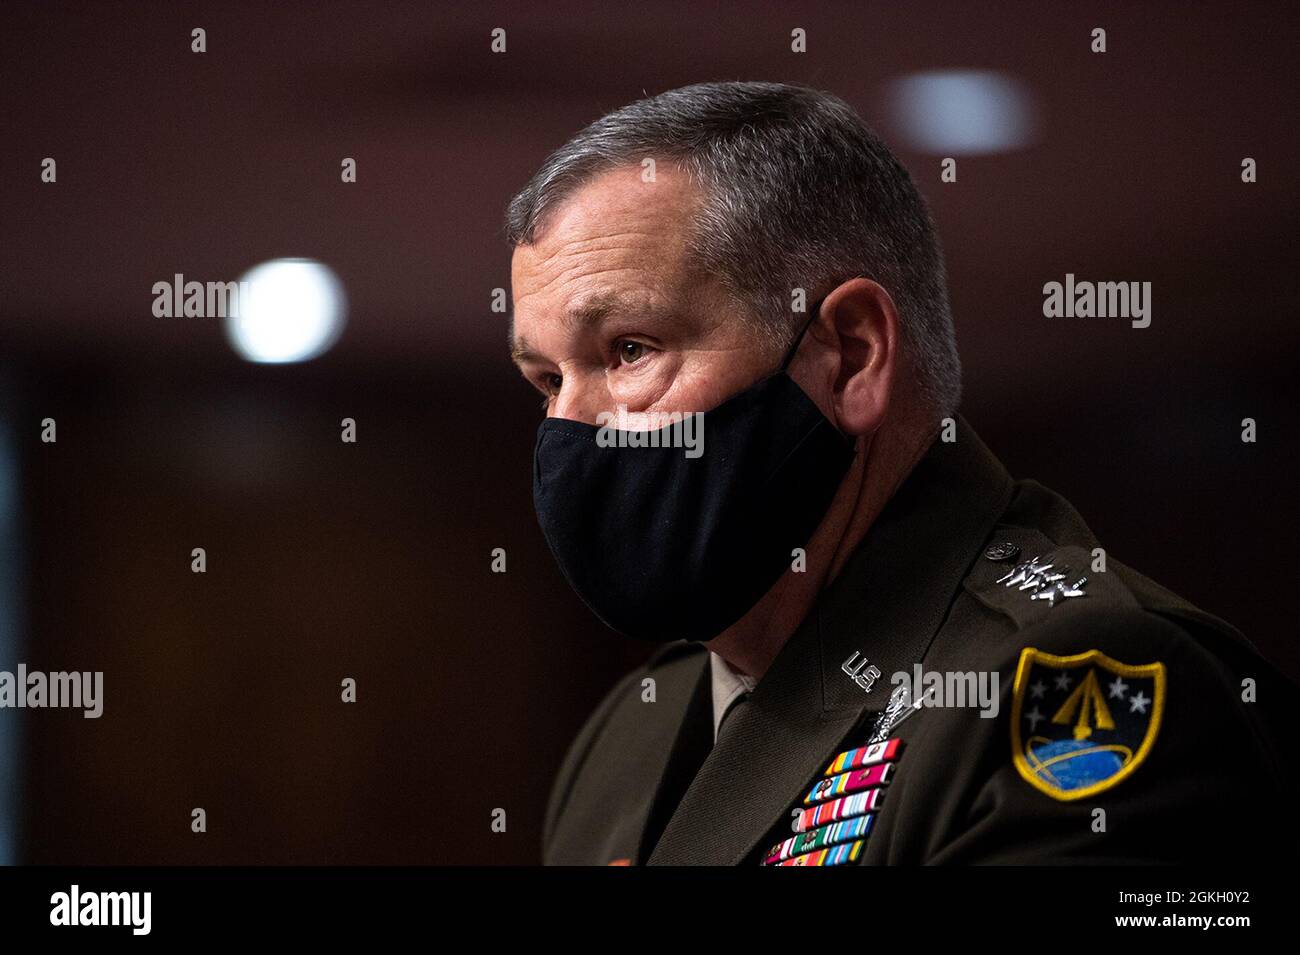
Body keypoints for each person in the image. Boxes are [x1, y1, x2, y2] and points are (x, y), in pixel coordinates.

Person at [505, 81, 1295, 865]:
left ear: (850, 355)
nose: (570, 426)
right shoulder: (626, 740)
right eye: (547, 380)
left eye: (630, 350)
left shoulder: (1069, 694)